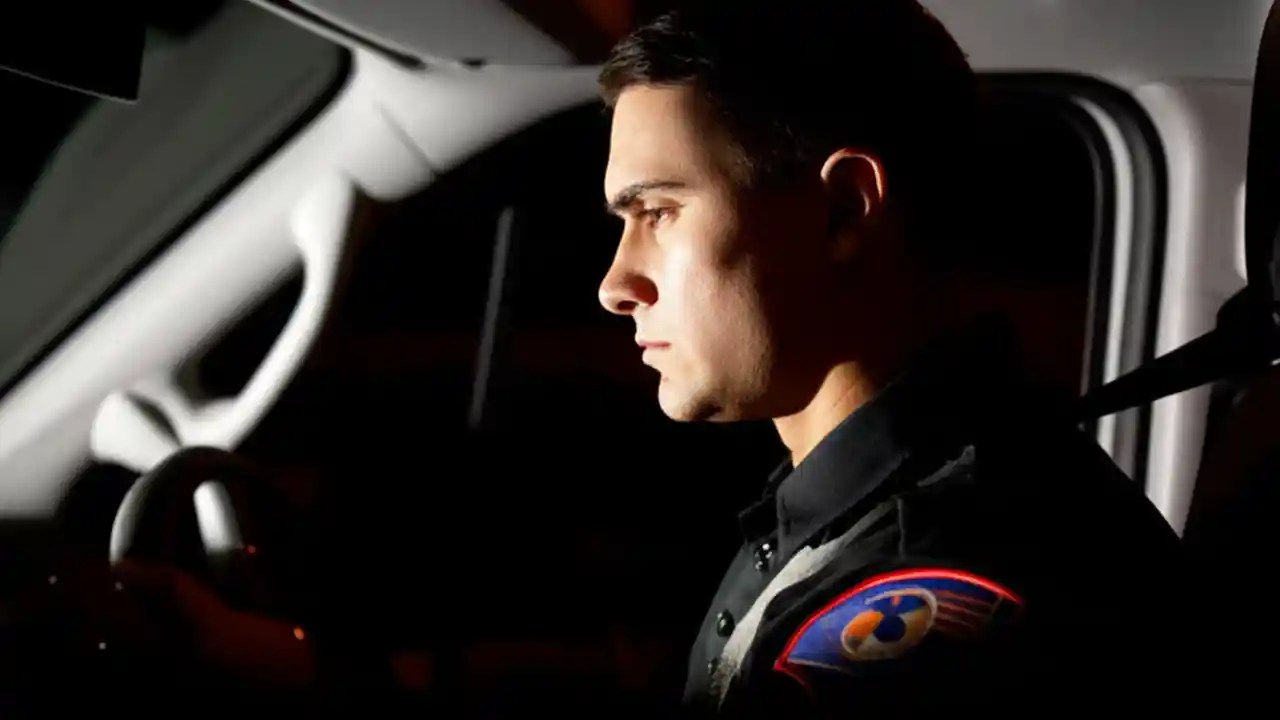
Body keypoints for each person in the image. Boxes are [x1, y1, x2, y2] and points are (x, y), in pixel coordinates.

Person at [596, 0, 1186, 715]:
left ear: (843, 211)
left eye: (658, 213)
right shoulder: (875, 513)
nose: (615, 286)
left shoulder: (929, 592)